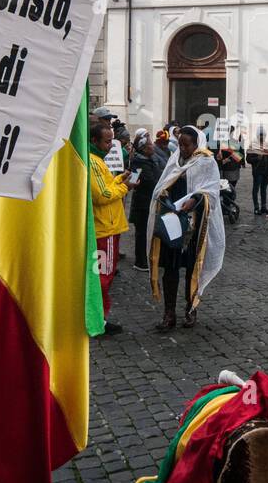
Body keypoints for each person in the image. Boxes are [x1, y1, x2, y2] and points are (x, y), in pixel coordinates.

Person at [146, 126, 225, 330]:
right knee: (170, 269)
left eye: (186, 145)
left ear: (196, 143)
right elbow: (162, 184)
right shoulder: (175, 160)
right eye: (180, 144)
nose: (182, 148)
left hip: (193, 225)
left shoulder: (206, 161)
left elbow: (212, 192)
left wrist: (197, 198)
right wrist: (163, 196)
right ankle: (169, 313)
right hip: (172, 221)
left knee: (192, 268)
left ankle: (191, 309)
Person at [89, 121, 138, 335]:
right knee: (103, 277)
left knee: (101, 276)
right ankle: (99, 319)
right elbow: (102, 195)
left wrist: (119, 179)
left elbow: (106, 187)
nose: (110, 145)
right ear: (94, 141)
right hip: (104, 229)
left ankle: (97, 317)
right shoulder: (93, 162)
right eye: (107, 141)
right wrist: (126, 186)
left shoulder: (97, 160)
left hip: (106, 227)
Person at [130, 131, 166, 270]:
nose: (153, 147)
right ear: (144, 149)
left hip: (147, 202)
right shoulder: (140, 162)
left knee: (147, 232)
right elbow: (149, 182)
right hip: (142, 204)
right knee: (142, 233)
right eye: (150, 145)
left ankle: (147, 258)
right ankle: (140, 262)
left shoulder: (147, 160)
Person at [246, 128, 268, 216]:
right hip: (257, 171)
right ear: (257, 136)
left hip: (266, 171)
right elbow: (248, 159)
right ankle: (256, 208)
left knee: (264, 189)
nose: (262, 137)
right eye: (261, 135)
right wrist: (257, 158)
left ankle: (263, 207)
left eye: (264, 135)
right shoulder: (253, 146)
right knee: (256, 189)